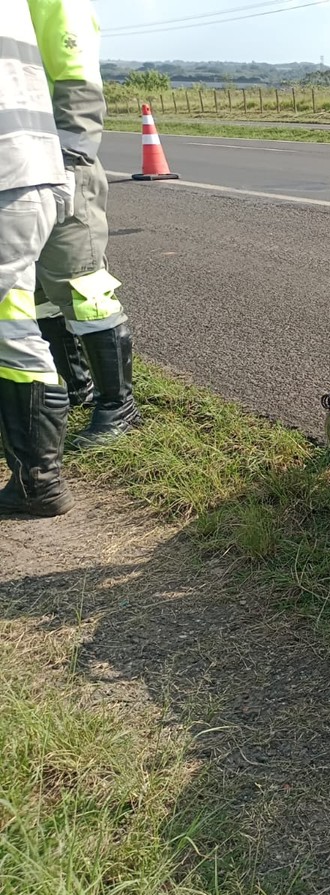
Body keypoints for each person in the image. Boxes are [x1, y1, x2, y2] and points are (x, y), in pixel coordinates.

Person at [28, 0, 141, 449]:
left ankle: (118, 406)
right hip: (17, 171)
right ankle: (76, 389)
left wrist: (69, 164)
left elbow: (77, 79)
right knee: (39, 292)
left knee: (83, 286)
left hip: (57, 170)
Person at [0, 0, 77, 516]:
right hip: (33, 165)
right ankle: (37, 476)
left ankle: (39, 481)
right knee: (13, 316)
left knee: (9, 326)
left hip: (10, 174)